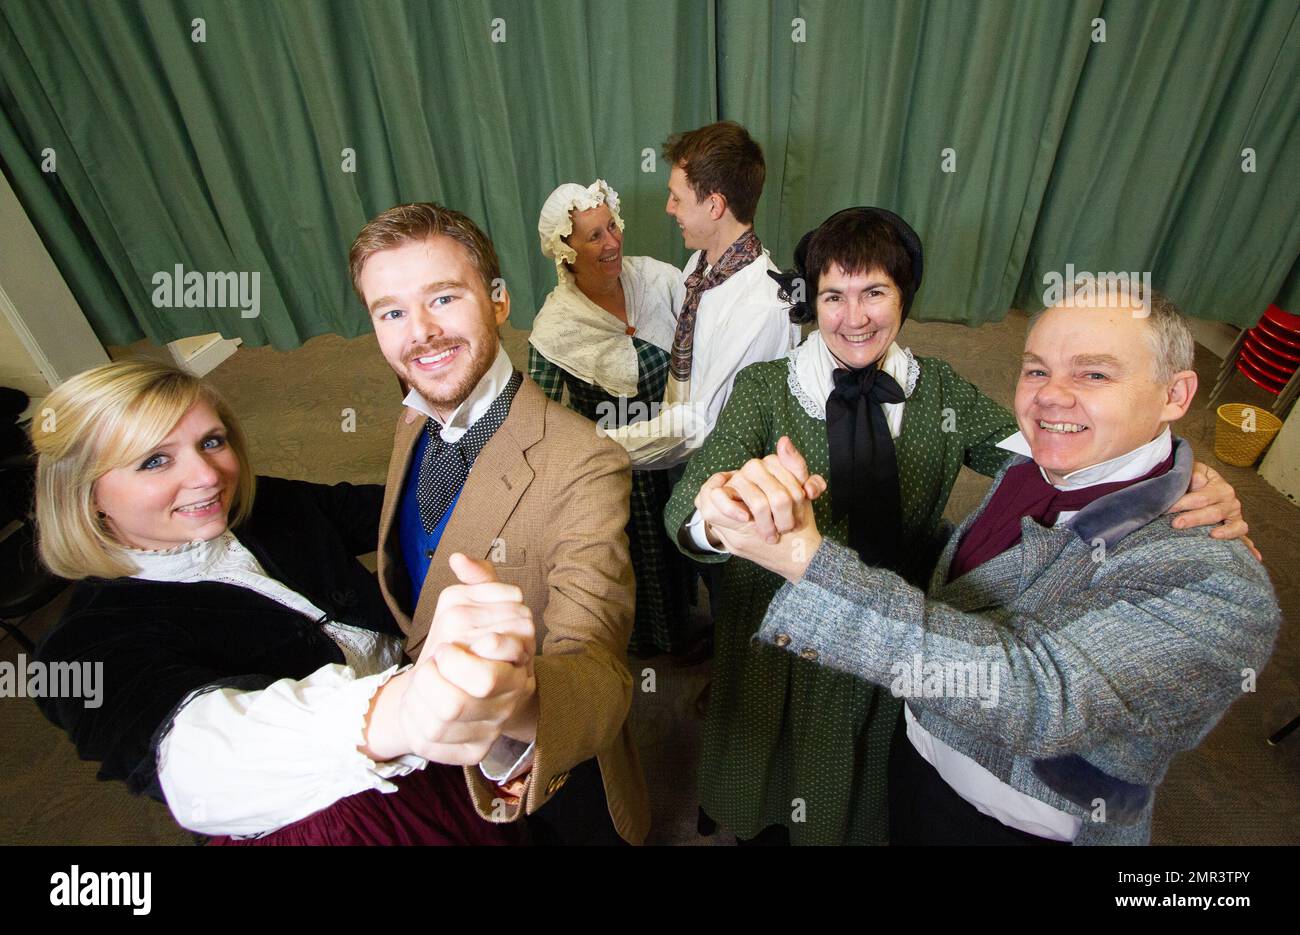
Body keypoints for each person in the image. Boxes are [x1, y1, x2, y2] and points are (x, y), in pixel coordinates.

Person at [665, 207, 1254, 845]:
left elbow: (1050, 447)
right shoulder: (766, 389)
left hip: (908, 637)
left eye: (874, 294)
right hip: (784, 640)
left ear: (903, 298)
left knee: (870, 790)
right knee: (775, 790)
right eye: (834, 296)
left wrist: (1170, 476)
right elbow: (686, 511)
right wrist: (720, 518)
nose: (854, 317)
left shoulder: (939, 392)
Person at [31, 359, 529, 845]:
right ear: (87, 493)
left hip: (441, 734)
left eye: (211, 442)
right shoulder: (81, 645)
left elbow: (390, 511)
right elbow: (203, 762)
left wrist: (506, 465)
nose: (207, 476)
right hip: (344, 817)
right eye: (155, 461)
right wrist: (409, 707)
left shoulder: (255, 503)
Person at [350, 201, 650, 845]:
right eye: (392, 312)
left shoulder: (584, 462)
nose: (420, 334)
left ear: (499, 301)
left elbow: (599, 671)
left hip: (547, 777)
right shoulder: (414, 414)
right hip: (433, 765)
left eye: (443, 298)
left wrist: (512, 703)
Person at [527, 180, 697, 656]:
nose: (612, 242)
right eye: (594, 236)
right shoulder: (556, 326)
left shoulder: (651, 279)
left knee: (678, 539)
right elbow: (539, 410)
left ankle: (683, 626)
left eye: (612, 227)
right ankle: (653, 645)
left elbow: (705, 319)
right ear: (565, 250)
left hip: (673, 439)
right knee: (636, 557)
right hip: (614, 458)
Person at [604, 121, 799, 468]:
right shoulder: (700, 263)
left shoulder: (762, 309)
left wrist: (601, 447)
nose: (669, 208)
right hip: (678, 450)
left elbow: (701, 428)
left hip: (726, 477)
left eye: (677, 198)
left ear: (714, 206)